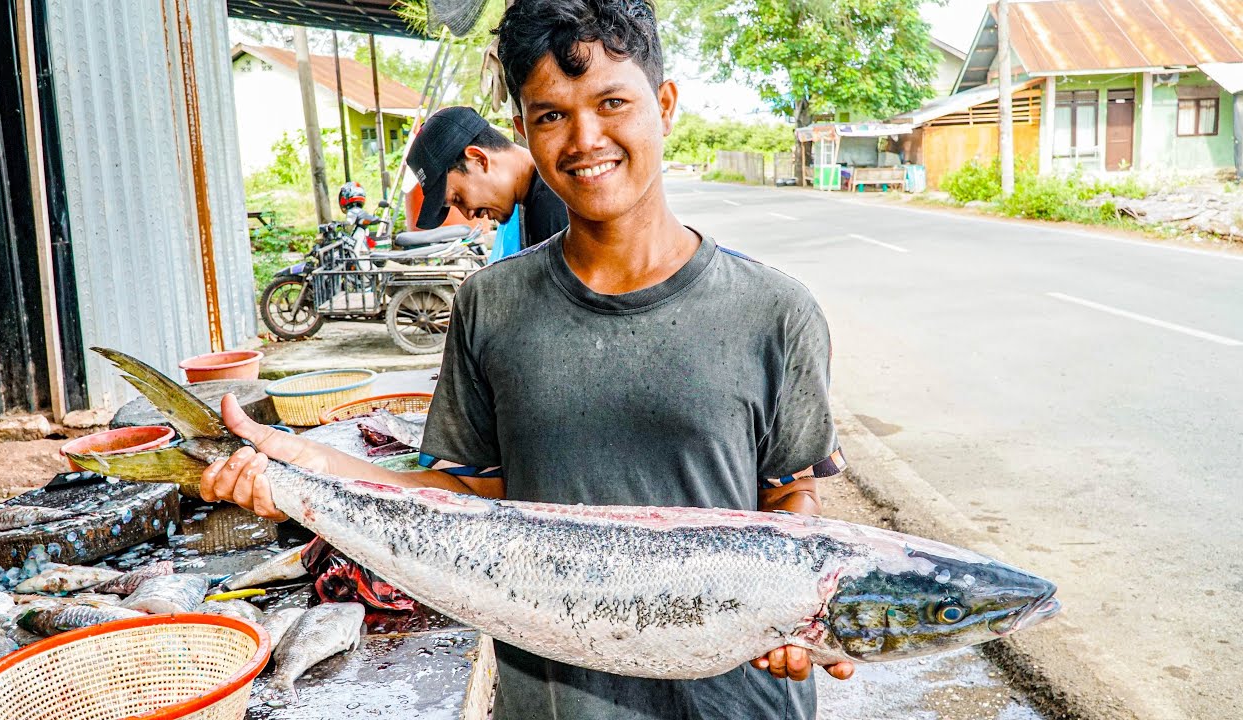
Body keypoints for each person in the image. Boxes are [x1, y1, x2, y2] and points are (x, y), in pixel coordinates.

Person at [200, 0, 853, 717]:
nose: (584, 139)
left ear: (663, 105)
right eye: (551, 116)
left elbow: (790, 495)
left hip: (740, 695)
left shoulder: (775, 311)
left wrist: (804, 613)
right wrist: (303, 467)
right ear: (523, 131)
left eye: (612, 103)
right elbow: (457, 498)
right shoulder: (491, 306)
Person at [407, 105, 567, 250]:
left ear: (478, 159)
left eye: (457, 198)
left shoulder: (552, 204)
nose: (468, 215)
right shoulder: (543, 194)